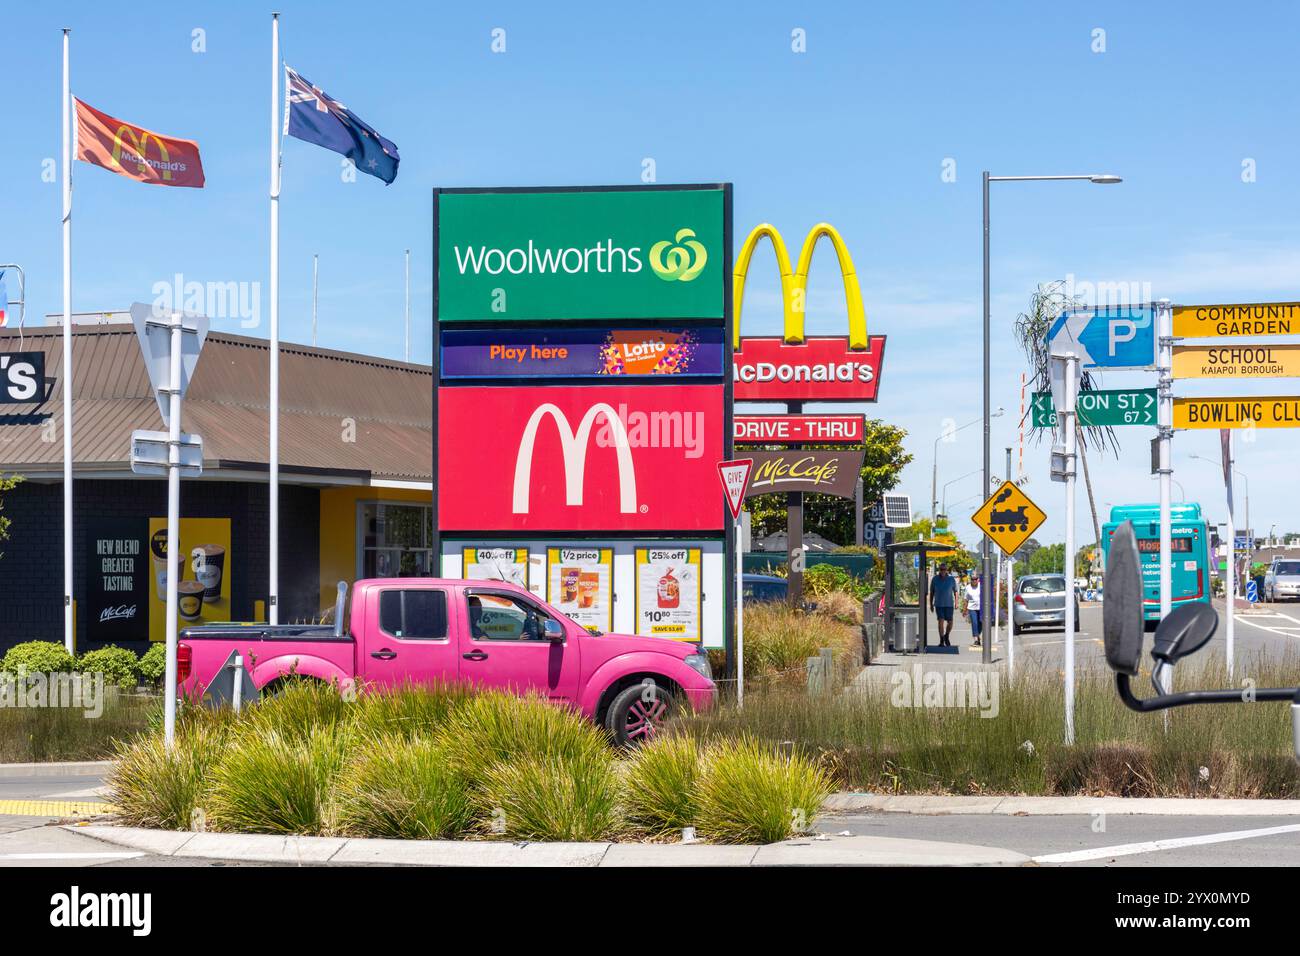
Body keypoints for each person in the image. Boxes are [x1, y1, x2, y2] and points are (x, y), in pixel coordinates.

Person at [928, 564, 958, 647]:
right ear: (939, 570)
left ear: (946, 570)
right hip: (939, 604)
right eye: (941, 569)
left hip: (949, 604)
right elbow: (932, 593)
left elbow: (955, 591)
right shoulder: (935, 579)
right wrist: (930, 604)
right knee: (940, 622)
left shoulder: (951, 579)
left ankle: (946, 635)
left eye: (944, 569)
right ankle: (941, 640)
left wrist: (956, 602)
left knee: (950, 622)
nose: (943, 571)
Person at [965, 575, 982, 648]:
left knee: (980, 623)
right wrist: (965, 609)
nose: (974, 580)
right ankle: (976, 639)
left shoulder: (981, 586)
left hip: (981, 608)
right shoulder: (968, 587)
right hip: (972, 608)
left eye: (975, 579)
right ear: (971, 580)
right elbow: (966, 599)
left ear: (978, 580)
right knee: (974, 623)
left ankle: (977, 636)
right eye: (972, 579)